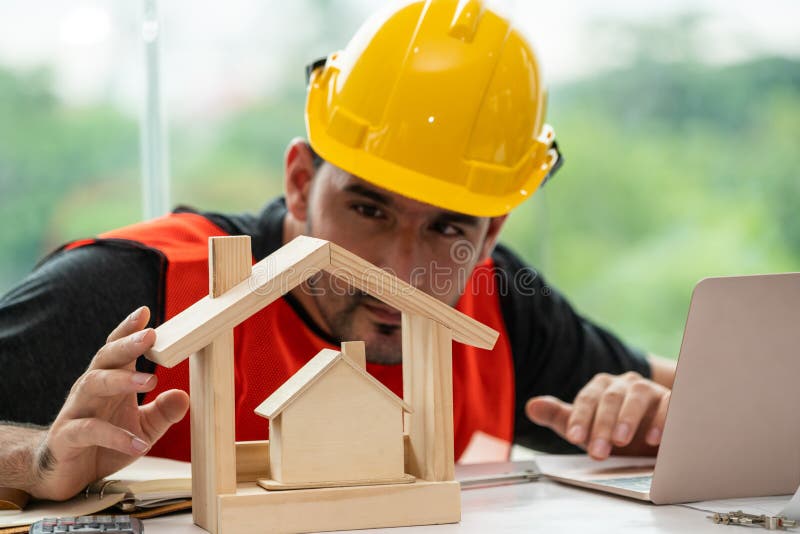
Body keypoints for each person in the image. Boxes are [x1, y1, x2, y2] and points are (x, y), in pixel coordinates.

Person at [0, 0, 675, 502]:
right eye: (368, 209)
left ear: (490, 234)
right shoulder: (138, 288)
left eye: (448, 228)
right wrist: (37, 462)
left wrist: (656, 419)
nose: (402, 271)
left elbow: (707, 398)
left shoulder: (495, 301)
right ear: (300, 183)